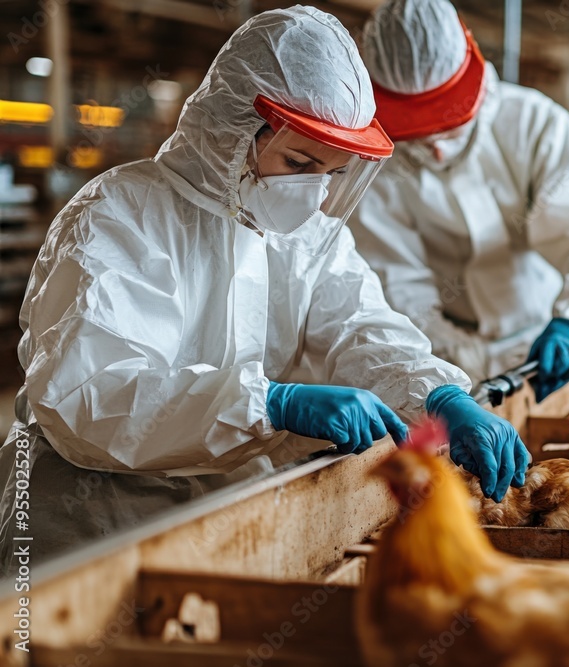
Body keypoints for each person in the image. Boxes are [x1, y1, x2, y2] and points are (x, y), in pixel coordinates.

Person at [0, 6, 528, 573]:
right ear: (231, 131)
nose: (313, 193)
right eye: (299, 161)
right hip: (97, 526)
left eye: (329, 171)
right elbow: (90, 398)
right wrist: (270, 403)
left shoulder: (304, 234)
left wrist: (439, 396)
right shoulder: (119, 216)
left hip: (231, 519)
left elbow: (358, 325)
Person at [350, 0, 569, 401]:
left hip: (545, 344)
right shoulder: (379, 162)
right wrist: (448, 365)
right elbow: (395, 282)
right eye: (415, 131)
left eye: (447, 123)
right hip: (439, 356)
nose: (435, 148)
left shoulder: (533, 124)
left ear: (474, 84)